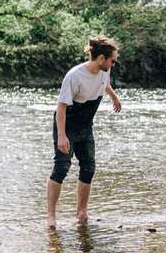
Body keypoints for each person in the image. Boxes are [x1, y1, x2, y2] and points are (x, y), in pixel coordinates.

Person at [46, 35, 121, 228]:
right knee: (61, 168)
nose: (114, 64)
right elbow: (61, 107)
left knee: (88, 167)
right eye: (113, 60)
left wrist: (114, 97)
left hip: (86, 125)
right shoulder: (75, 76)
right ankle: (51, 217)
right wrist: (62, 136)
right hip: (67, 124)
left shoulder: (105, 71)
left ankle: (81, 212)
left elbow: (105, 85)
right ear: (101, 58)